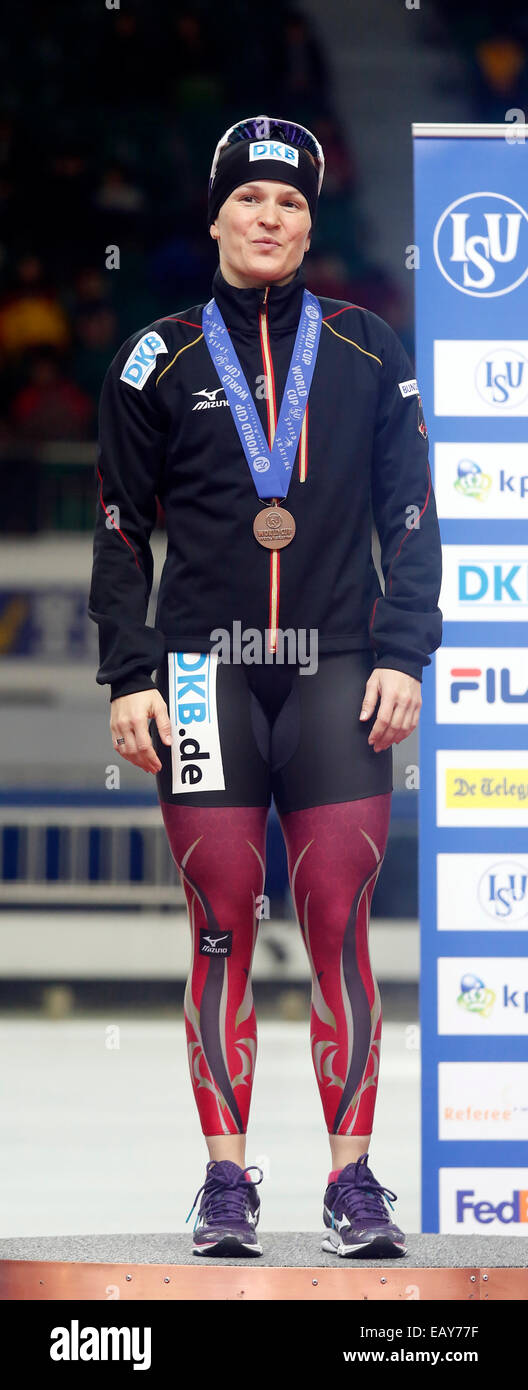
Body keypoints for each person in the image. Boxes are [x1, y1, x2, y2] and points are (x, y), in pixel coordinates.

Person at [88, 114, 443, 1260]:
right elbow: (116, 531)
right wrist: (128, 671)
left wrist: (404, 650)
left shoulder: (372, 349)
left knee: (340, 927)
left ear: (310, 223)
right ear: (217, 215)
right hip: (201, 679)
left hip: (341, 672)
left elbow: (412, 514)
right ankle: (228, 1180)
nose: (270, 217)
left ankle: (352, 1184)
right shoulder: (157, 359)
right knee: (219, 932)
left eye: (290, 202)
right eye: (250, 199)